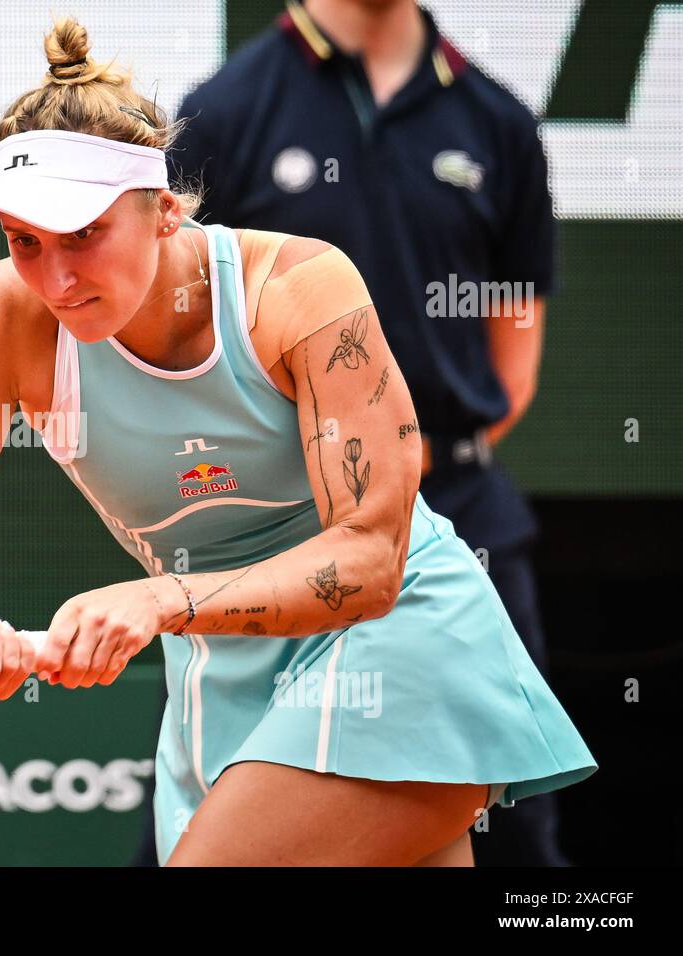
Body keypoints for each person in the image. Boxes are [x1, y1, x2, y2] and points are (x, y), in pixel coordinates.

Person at [0, 16, 596, 866]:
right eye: (24, 242)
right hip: (223, 677)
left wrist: (157, 603)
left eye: (83, 235)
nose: (56, 277)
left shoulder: (297, 288)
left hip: (400, 647)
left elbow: (369, 563)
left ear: (165, 211)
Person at [164, 0, 567, 866]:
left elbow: (513, 358)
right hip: (279, 527)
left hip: (458, 516)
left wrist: (390, 470)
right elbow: (178, 331)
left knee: (514, 840)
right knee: (227, 819)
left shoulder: (496, 121)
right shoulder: (224, 111)